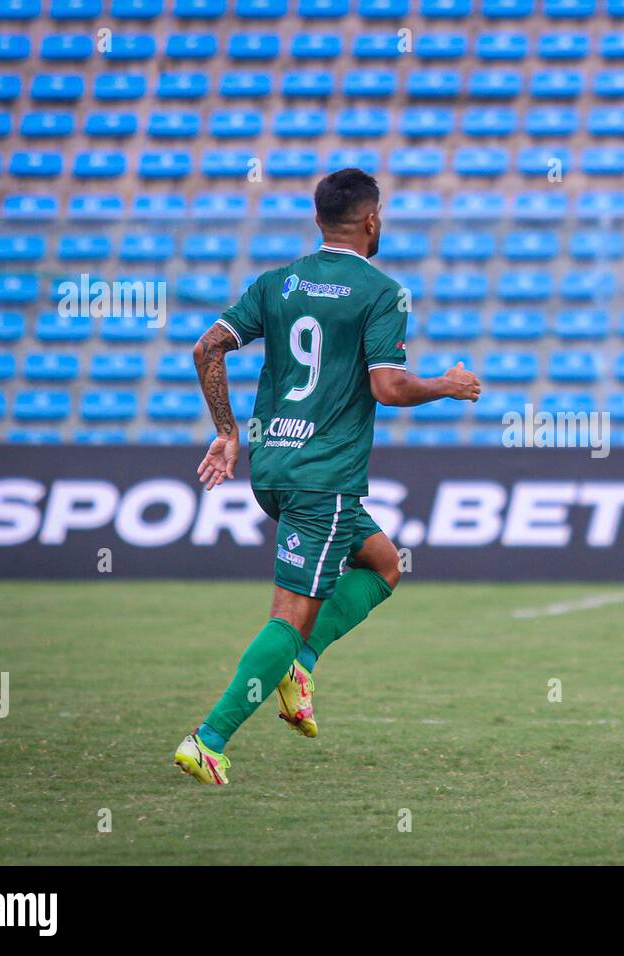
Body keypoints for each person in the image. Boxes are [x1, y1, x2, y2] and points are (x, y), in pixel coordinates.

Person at [173, 169, 481, 784]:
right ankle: (209, 738)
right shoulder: (383, 291)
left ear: (318, 220)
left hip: (275, 467)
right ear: (372, 221)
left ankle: (300, 665)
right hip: (325, 477)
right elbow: (387, 387)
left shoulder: (276, 283)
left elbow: (207, 348)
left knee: (384, 563)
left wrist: (229, 433)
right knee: (290, 615)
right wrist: (446, 385)